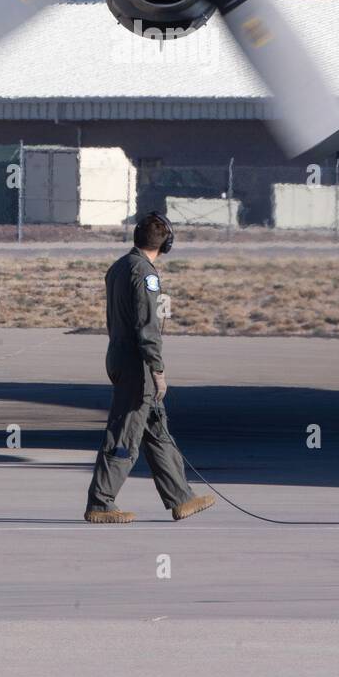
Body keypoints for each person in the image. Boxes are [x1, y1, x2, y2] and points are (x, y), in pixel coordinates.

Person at [84, 211, 215, 524]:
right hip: (137, 364)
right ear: (165, 242)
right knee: (125, 433)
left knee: (156, 430)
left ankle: (181, 498)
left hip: (119, 355)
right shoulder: (145, 274)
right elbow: (148, 326)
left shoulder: (119, 267)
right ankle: (101, 502)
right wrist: (157, 370)